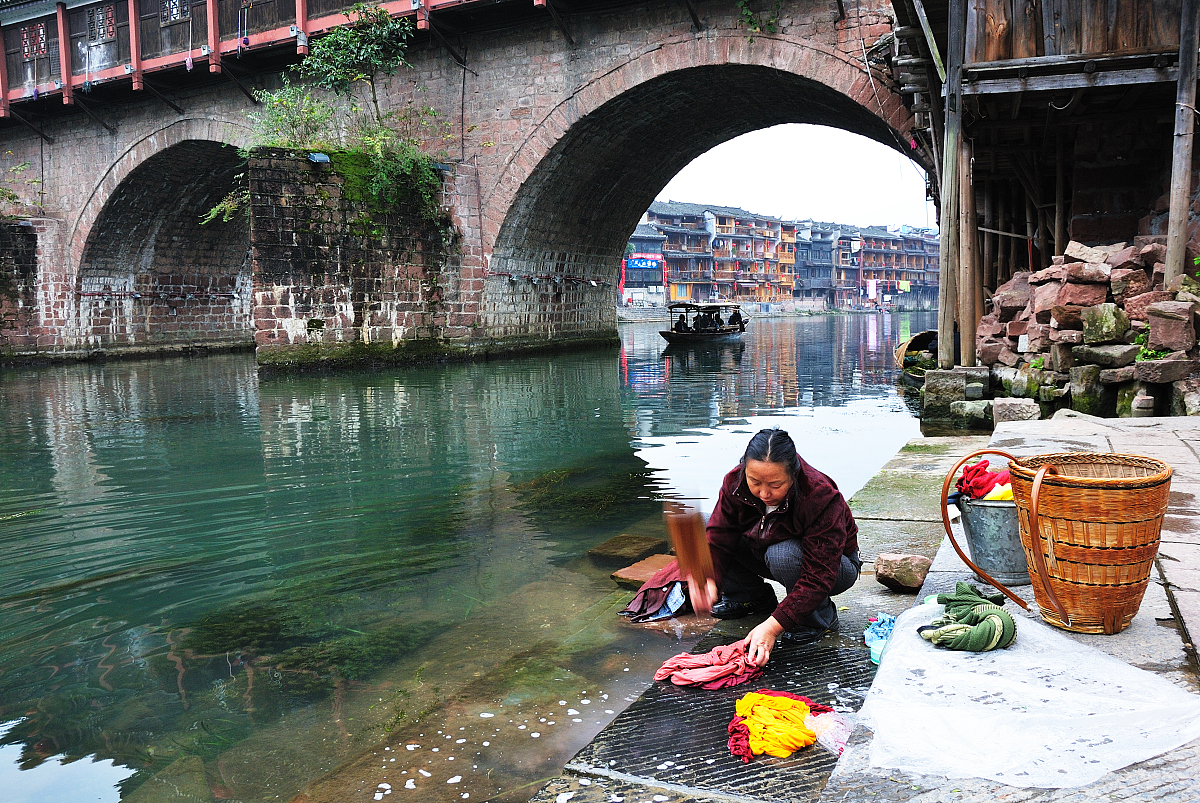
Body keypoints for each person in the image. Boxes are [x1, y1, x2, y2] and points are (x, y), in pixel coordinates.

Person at [688, 428, 860, 668]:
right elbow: (719, 535)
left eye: (775, 485)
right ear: (744, 470)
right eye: (755, 482)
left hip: (834, 565)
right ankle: (749, 598)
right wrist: (708, 578)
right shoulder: (734, 482)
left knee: (784, 554)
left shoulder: (819, 495)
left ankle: (818, 618)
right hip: (764, 545)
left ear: (793, 475)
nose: (764, 493)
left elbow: (819, 575)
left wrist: (772, 626)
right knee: (703, 524)